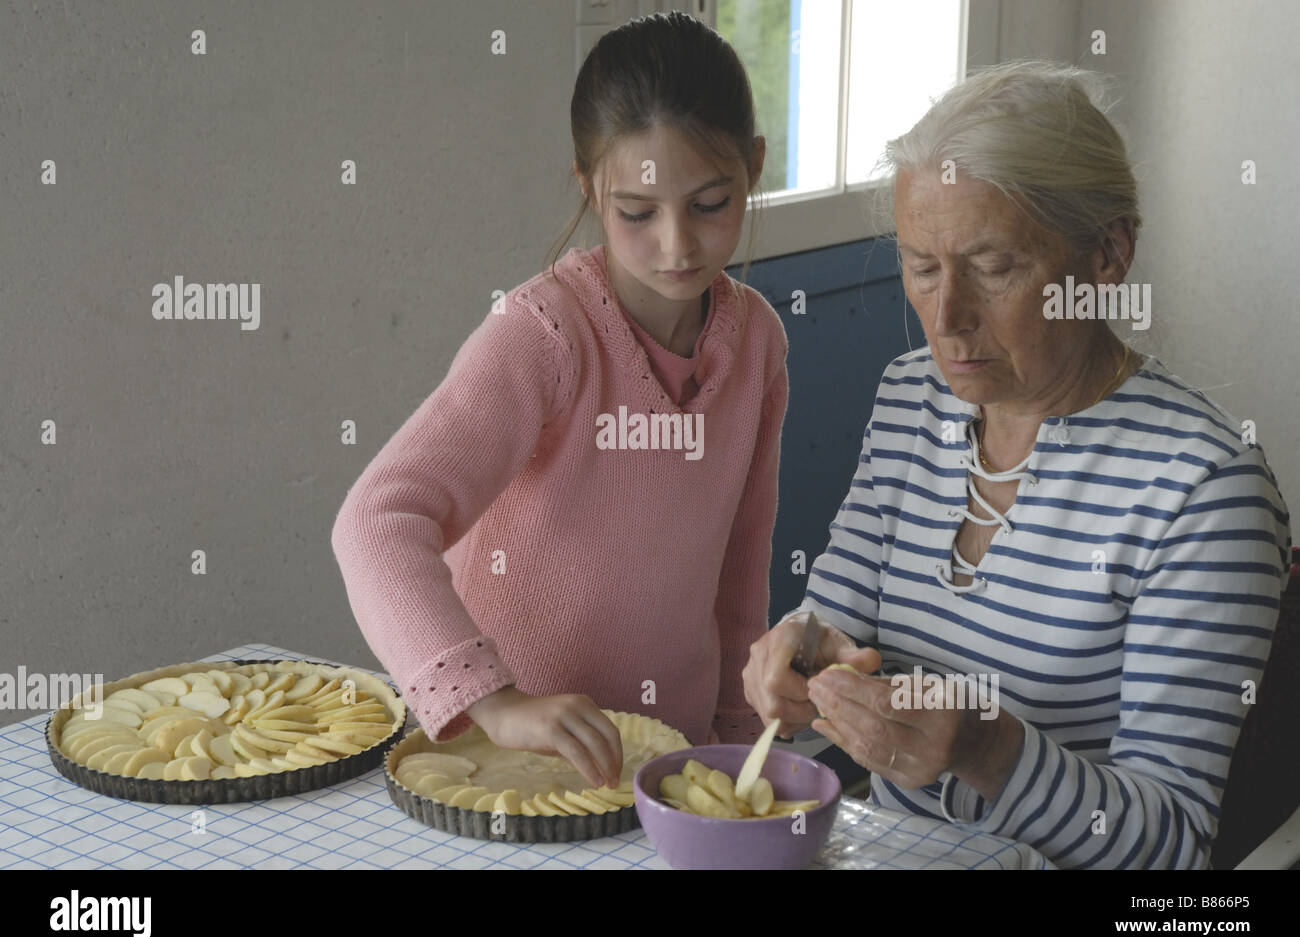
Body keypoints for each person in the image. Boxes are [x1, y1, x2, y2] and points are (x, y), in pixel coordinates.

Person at [742, 60, 1292, 868]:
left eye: (995, 268)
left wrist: (989, 749)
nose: (945, 318)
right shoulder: (910, 397)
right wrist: (797, 652)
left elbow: (1174, 848)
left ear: (1108, 254)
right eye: (921, 267)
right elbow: (834, 620)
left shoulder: (1206, 492)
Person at [331, 12, 785, 789]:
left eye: (711, 203)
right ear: (589, 188)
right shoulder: (545, 335)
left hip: (666, 765)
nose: (677, 245)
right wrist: (494, 702)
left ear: (754, 165)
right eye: (636, 213)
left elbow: (742, 571)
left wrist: (738, 752)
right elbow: (374, 521)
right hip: (502, 766)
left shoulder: (759, 342)